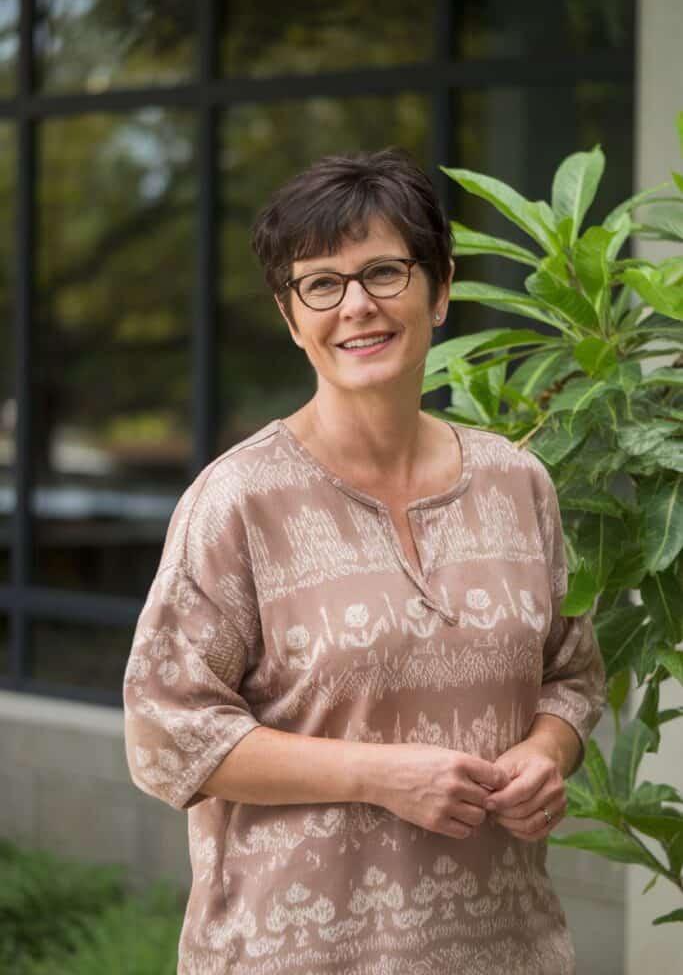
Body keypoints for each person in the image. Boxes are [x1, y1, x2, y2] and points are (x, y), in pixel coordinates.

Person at [123, 147, 607, 975]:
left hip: (507, 951)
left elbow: (572, 674)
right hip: (296, 955)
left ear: (440, 287)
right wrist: (377, 774)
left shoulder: (516, 481)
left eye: (384, 272)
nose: (356, 306)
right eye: (321, 283)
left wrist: (546, 752)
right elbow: (165, 733)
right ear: (291, 316)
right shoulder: (238, 500)